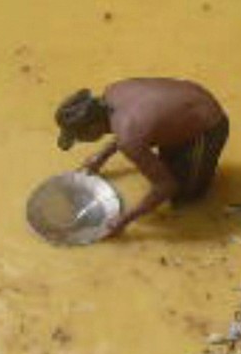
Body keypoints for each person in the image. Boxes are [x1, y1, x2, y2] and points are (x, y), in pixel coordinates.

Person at [54, 78, 229, 237]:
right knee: (161, 158)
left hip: (208, 124)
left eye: (79, 136)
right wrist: (101, 156)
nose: (80, 141)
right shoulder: (113, 92)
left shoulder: (129, 137)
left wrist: (124, 220)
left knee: (184, 198)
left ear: (93, 128)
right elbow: (128, 126)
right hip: (188, 99)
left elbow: (166, 186)